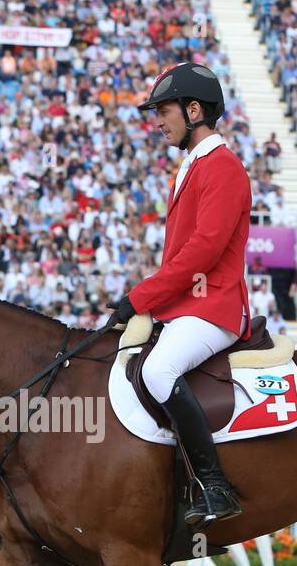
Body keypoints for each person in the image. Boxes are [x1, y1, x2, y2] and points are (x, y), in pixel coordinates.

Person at [107, 62, 251, 527]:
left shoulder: (223, 166)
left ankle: (215, 485)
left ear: (193, 111)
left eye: (163, 111)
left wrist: (141, 297)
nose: (157, 122)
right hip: (187, 305)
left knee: (158, 369)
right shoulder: (192, 167)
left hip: (215, 306)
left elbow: (204, 251)